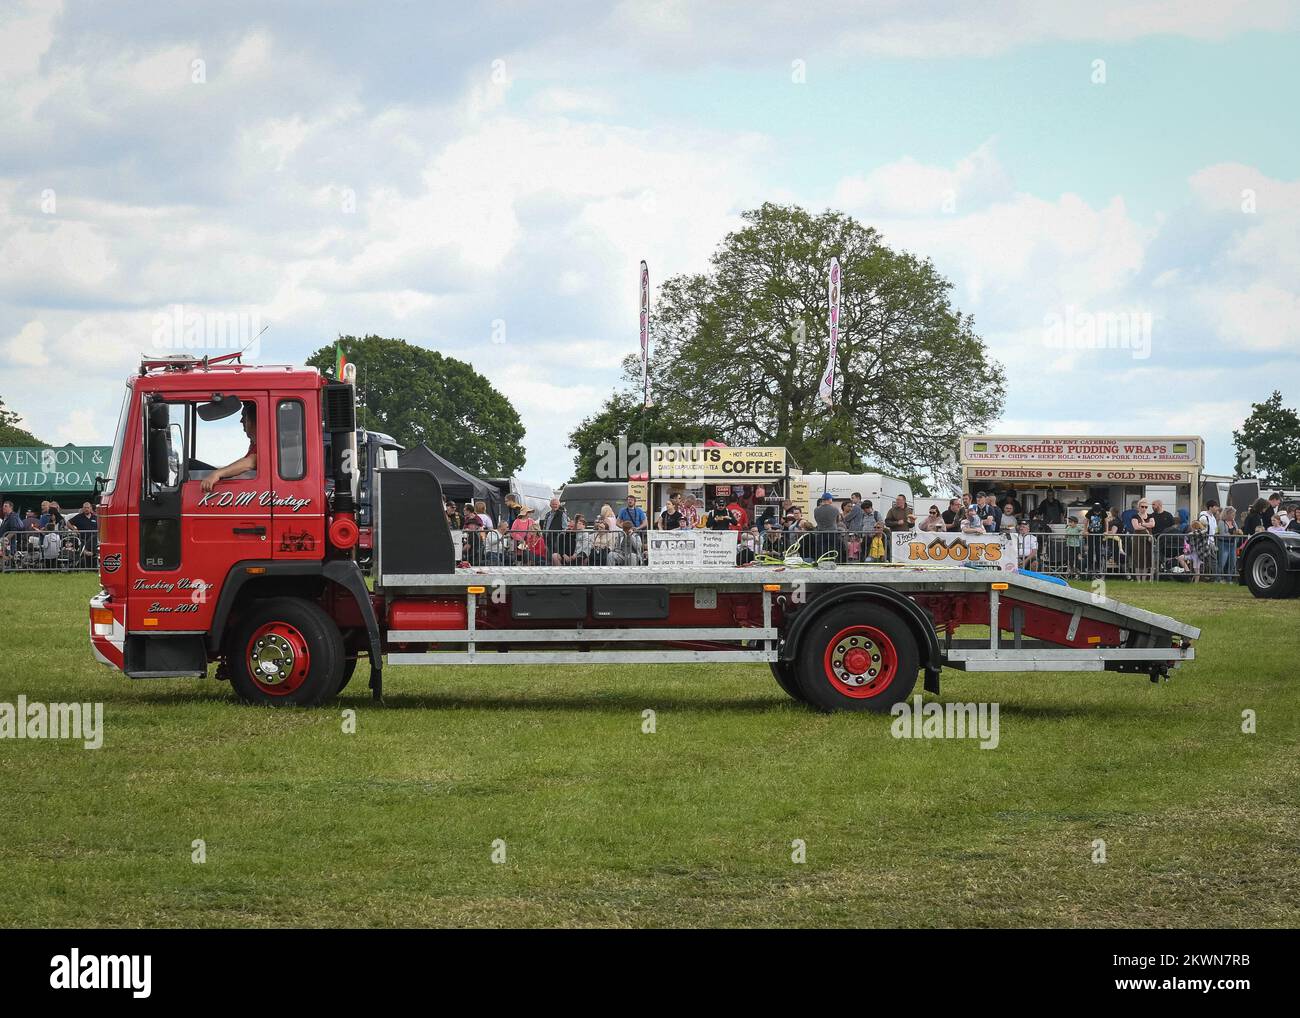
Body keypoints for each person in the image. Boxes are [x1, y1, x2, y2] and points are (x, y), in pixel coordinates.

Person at [201, 401, 257, 491]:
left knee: (191, 464)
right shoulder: (255, 445)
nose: (241, 421)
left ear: (255, 419)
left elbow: (250, 462)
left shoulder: (262, 447)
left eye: (244, 416)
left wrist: (217, 474)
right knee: (191, 463)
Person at [542, 497, 570, 565]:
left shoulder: (562, 514)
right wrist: (543, 533)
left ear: (559, 505)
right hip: (547, 537)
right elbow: (545, 525)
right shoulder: (547, 514)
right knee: (548, 555)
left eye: (556, 504)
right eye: (553, 504)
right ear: (550, 505)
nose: (555, 506)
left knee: (555, 555)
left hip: (557, 538)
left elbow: (565, 527)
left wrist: (560, 536)